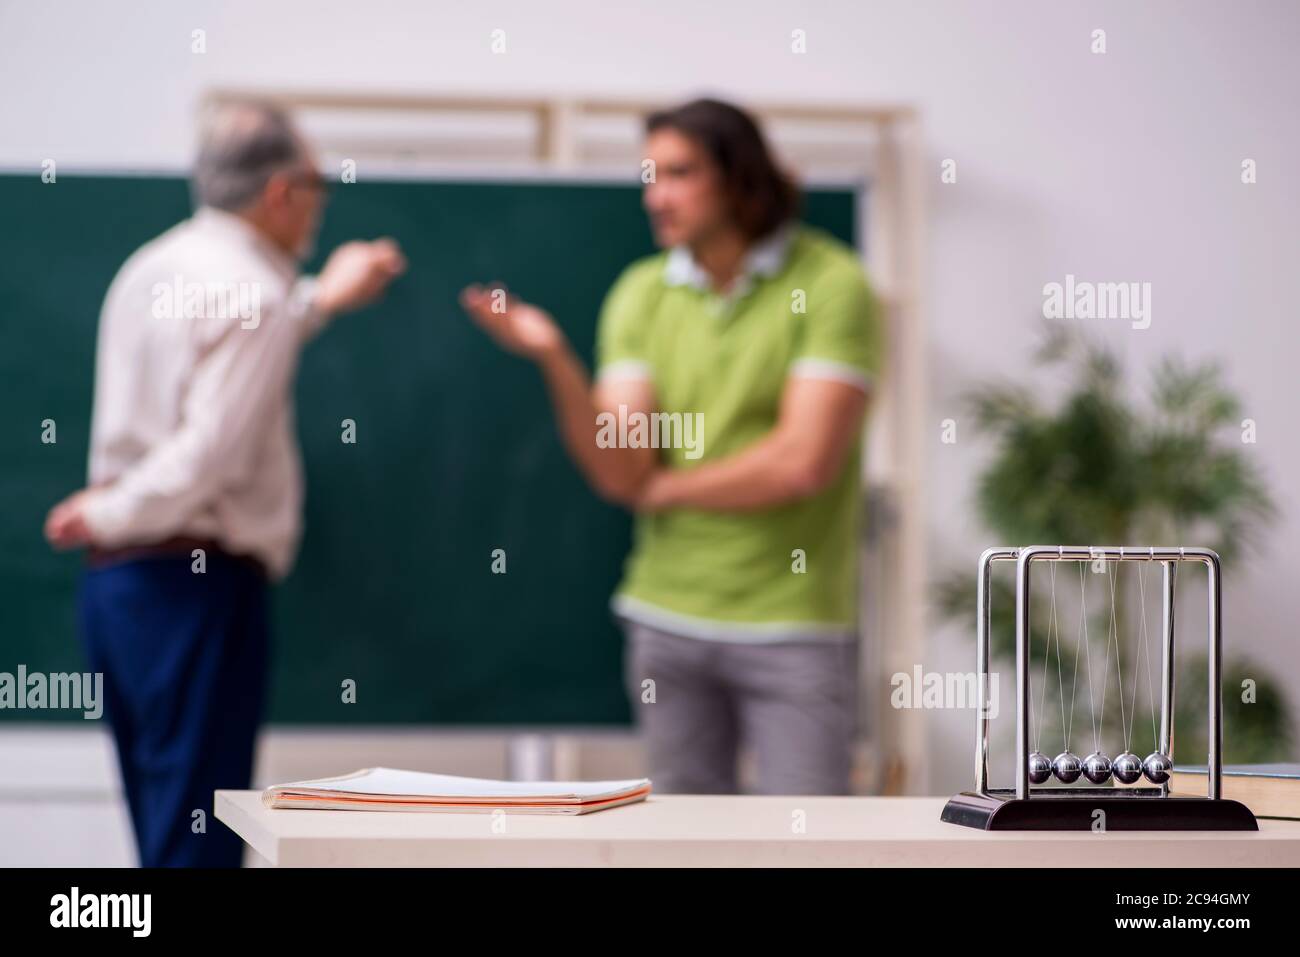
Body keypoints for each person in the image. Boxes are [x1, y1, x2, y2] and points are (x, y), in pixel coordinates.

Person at [461, 98, 882, 795]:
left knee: (813, 849)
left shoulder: (832, 284)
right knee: (684, 850)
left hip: (794, 623)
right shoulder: (641, 293)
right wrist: (555, 357)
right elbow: (621, 465)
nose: (657, 196)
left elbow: (803, 460)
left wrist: (667, 489)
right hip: (665, 622)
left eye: (679, 173)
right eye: (650, 176)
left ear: (740, 176)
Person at [43, 99, 407, 866]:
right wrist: (108, 512)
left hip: (123, 592)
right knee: (197, 845)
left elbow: (236, 359)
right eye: (316, 185)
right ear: (281, 191)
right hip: (195, 590)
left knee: (165, 833)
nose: (317, 206)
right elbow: (209, 452)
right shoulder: (258, 292)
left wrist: (317, 301)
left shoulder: (153, 265)